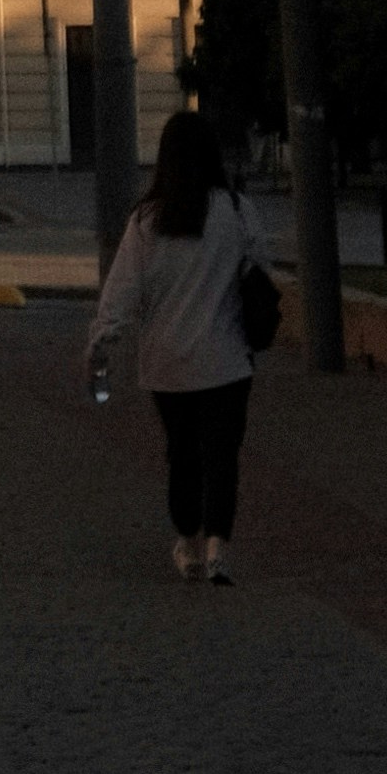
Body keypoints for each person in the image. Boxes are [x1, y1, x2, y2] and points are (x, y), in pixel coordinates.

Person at [86, 103, 269, 580]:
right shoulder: (235, 211)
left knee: (183, 455)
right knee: (222, 456)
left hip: (167, 366)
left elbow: (122, 292)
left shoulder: (147, 220)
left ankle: (186, 543)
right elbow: (260, 276)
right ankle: (218, 550)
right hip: (227, 362)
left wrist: (101, 344)